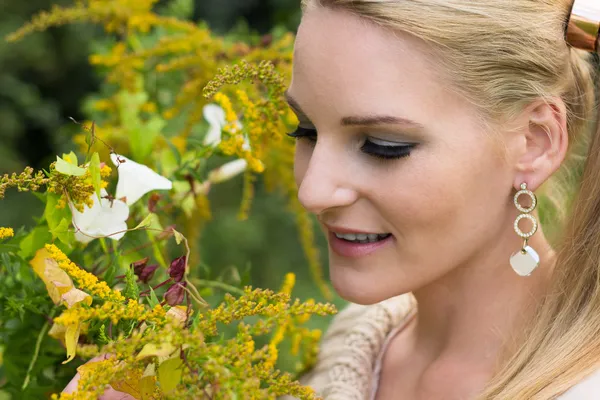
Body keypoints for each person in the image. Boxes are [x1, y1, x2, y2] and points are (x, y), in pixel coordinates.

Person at [64, 0, 600, 398]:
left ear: (536, 142)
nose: (312, 190)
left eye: (383, 145)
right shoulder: (356, 344)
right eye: (306, 131)